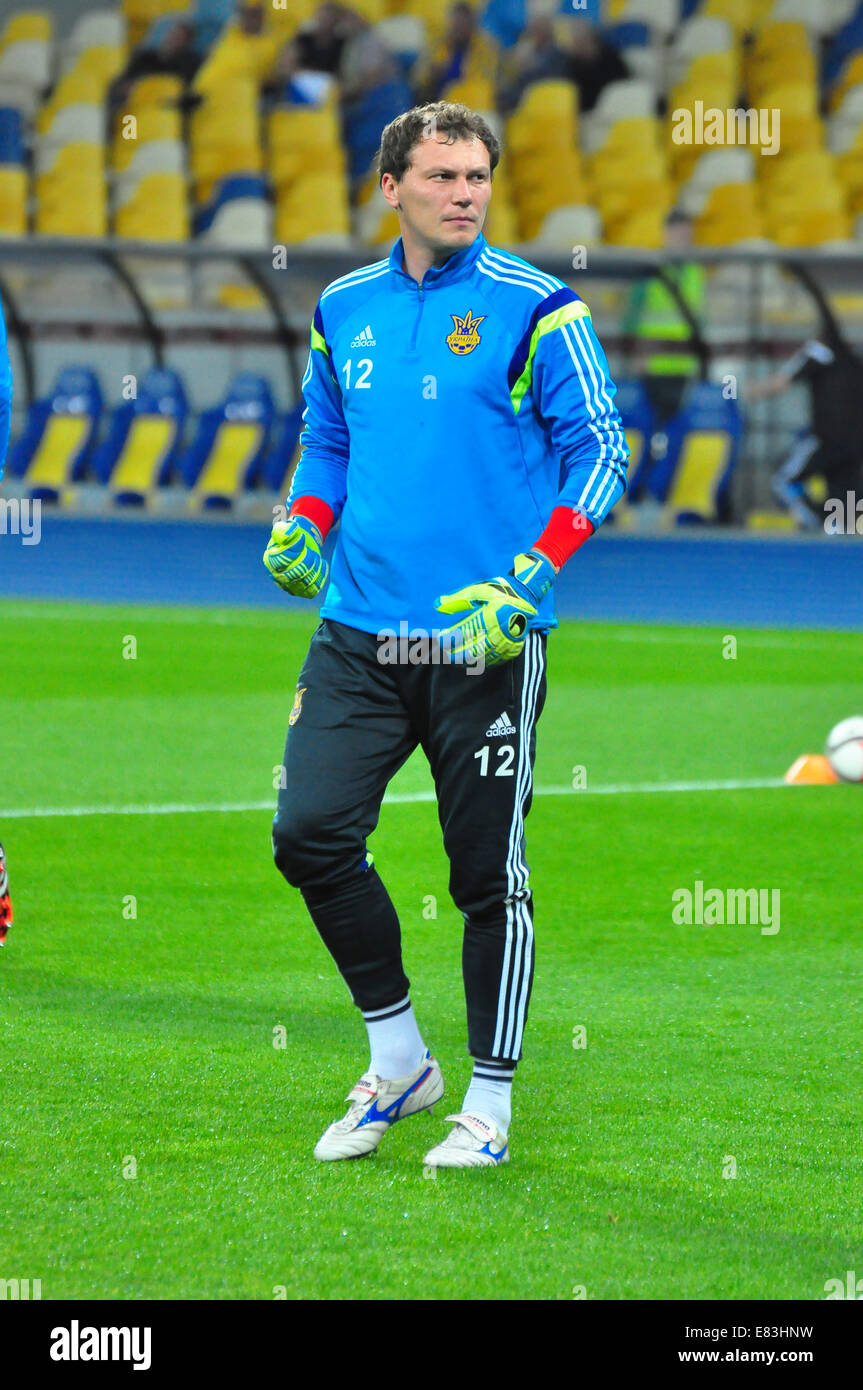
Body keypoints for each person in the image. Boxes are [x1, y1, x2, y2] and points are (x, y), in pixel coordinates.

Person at [263, 101, 628, 1169]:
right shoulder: (343, 306)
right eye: (441, 176)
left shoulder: (538, 306)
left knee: (485, 877)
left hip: (483, 644)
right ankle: (399, 1060)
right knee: (308, 833)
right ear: (391, 190)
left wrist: (530, 577)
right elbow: (324, 439)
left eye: (477, 175)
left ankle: (490, 1100)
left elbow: (599, 448)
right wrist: (304, 520)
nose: (464, 192)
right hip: (359, 632)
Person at [743, 323, 863, 529]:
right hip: (855, 443)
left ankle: (816, 521)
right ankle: (837, 533)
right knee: (845, 497)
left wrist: (745, 390)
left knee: (783, 481)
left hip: (826, 439)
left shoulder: (817, 352)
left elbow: (781, 382)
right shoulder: (854, 358)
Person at [623, 209, 706, 431]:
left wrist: (701, 358)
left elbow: (699, 319)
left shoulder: (695, 271)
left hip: (683, 365)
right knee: (648, 425)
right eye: (679, 234)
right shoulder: (650, 269)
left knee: (677, 427)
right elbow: (632, 315)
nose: (684, 240)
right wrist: (635, 354)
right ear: (666, 233)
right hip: (653, 363)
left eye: (688, 235)